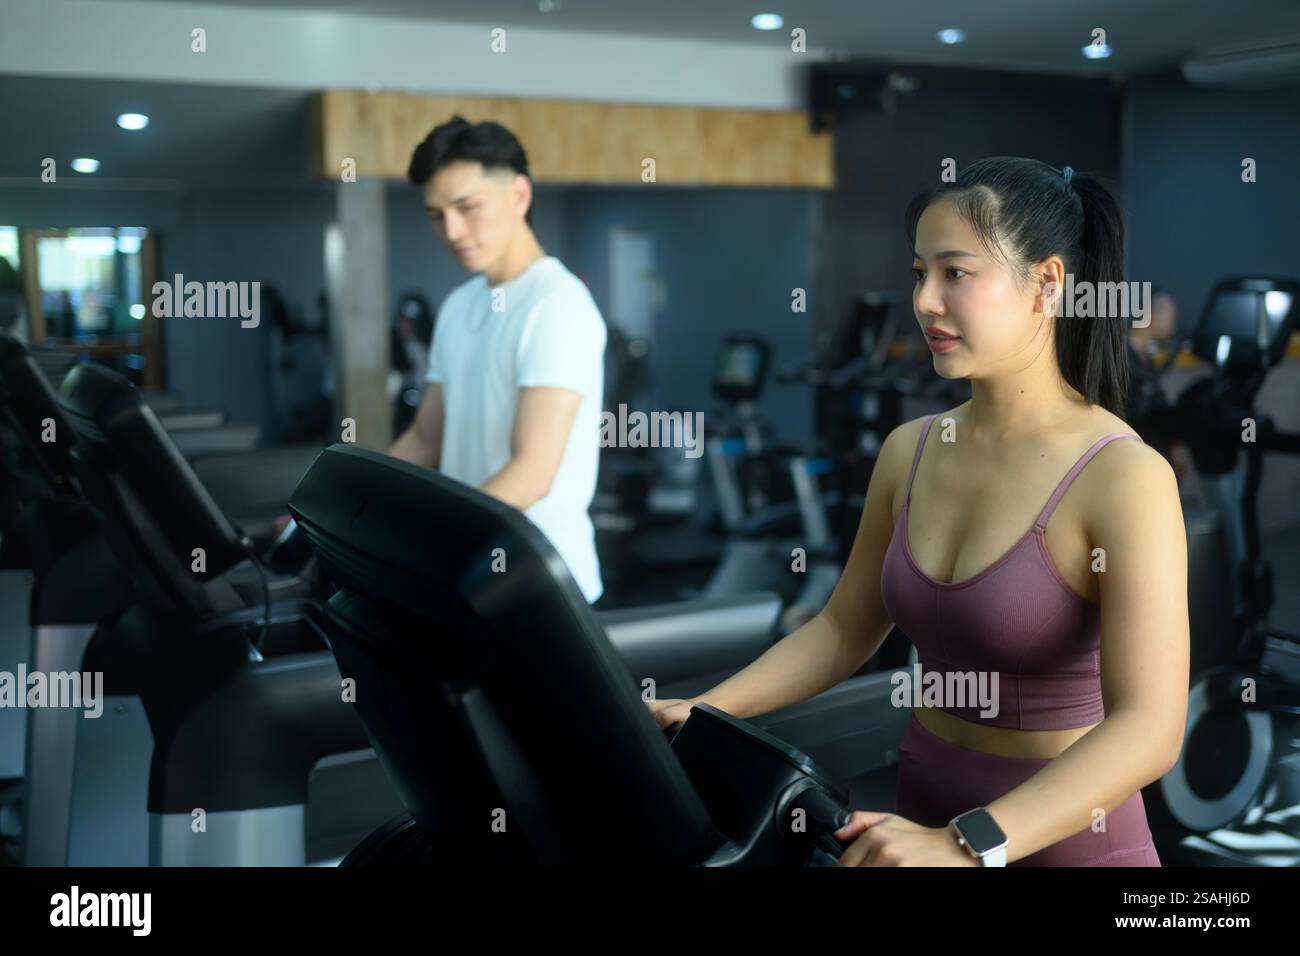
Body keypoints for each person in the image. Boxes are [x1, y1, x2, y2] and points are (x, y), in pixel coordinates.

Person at [648, 158, 1189, 867]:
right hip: (918, 824)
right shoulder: (912, 450)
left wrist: (972, 845)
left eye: (955, 273)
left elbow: (1149, 728)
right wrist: (710, 709)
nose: (926, 301)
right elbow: (844, 629)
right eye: (918, 273)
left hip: (1060, 846)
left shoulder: (1123, 476)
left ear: (1048, 285)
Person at [387, 116, 606, 604]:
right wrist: (348, 509)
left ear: (519, 196)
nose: (453, 230)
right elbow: (425, 439)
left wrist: (435, 540)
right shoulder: (459, 305)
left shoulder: (556, 304)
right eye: (436, 215)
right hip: (472, 570)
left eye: (467, 208)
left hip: (543, 585)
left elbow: (533, 471)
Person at [1125, 287, 1194, 484]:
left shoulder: (1145, 357)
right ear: (1152, 315)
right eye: (1171, 316)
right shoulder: (1122, 357)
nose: (1174, 323)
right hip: (1132, 463)